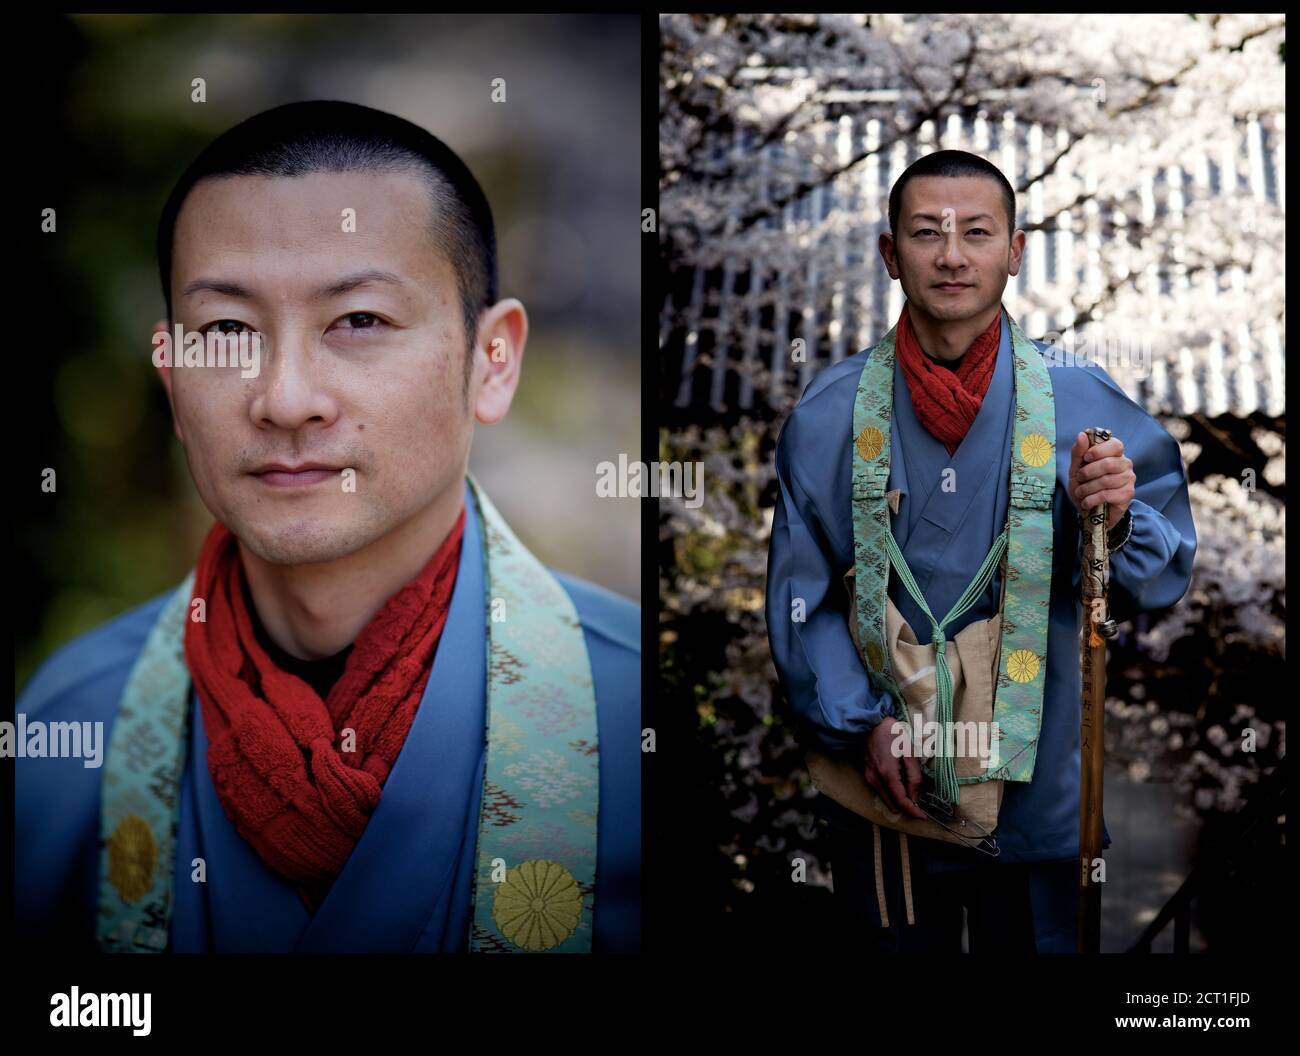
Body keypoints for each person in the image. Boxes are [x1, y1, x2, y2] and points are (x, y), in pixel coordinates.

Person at [16, 101, 639, 954]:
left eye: (359, 322)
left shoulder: (634, 721)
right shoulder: (69, 730)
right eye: (228, 330)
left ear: (491, 362)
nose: (285, 398)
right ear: (171, 377)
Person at [765, 149, 1195, 952]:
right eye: (927, 233)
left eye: (976, 233)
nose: (952, 255)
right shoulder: (827, 415)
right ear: (890, 254)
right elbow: (803, 595)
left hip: (1042, 791)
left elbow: (1161, 577)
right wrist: (860, 722)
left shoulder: (1085, 401)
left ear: (1016, 251)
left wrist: (1118, 514)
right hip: (890, 771)